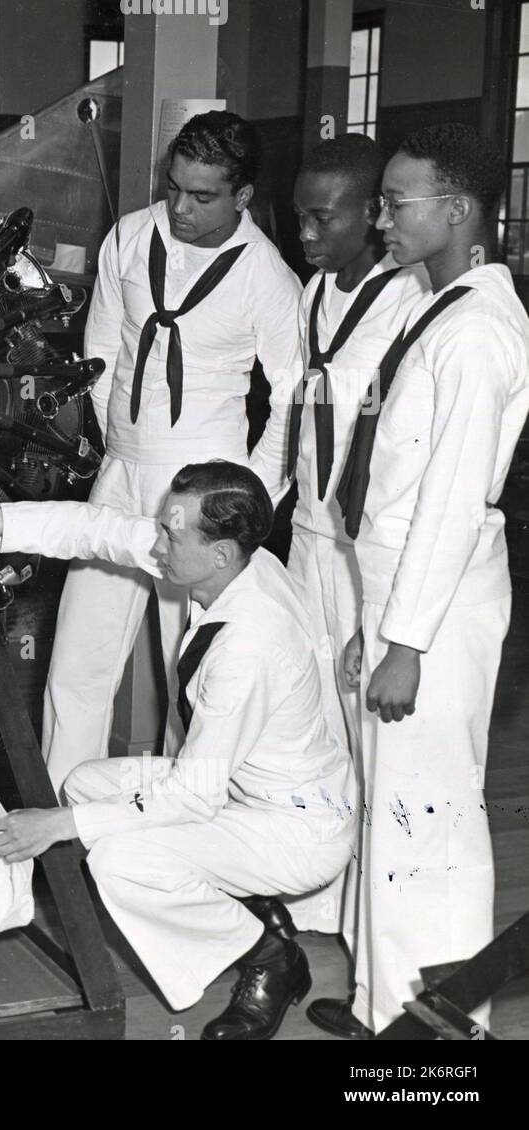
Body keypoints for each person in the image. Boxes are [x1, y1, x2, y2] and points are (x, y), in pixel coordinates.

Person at [0, 461, 356, 1040]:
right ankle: (254, 914)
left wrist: (57, 826)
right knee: (84, 783)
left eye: (169, 536)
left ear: (221, 554)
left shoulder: (251, 645)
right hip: (244, 790)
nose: (154, 543)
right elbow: (95, 527)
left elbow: (192, 795)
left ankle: (269, 960)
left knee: (119, 861)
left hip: (296, 828)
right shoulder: (231, 565)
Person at [309, 124, 529, 1038]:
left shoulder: (479, 332)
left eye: (400, 204)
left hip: (435, 613)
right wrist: (376, 620)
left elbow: (448, 503)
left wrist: (406, 643)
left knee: (429, 822)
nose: (385, 219)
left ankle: (439, 1038)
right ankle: (384, 1010)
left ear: (460, 210)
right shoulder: (432, 304)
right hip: (399, 594)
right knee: (391, 814)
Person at [44, 111, 303, 795]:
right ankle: (60, 829)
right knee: (78, 658)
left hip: (205, 482)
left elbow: (293, 398)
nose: (181, 208)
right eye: (174, 188)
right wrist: (122, 447)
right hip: (122, 470)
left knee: (190, 670)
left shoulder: (269, 279)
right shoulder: (131, 236)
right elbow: (98, 353)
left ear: (242, 196)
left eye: (202, 196)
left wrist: (248, 503)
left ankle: (177, 832)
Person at [281, 135, 428, 941]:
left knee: (370, 728)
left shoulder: (408, 301)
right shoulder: (311, 295)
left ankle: (382, 921)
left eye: (320, 218)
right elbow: (302, 419)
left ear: (373, 217)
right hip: (308, 533)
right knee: (309, 716)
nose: (304, 233)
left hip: (366, 546)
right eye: (298, 215)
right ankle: (316, 896)